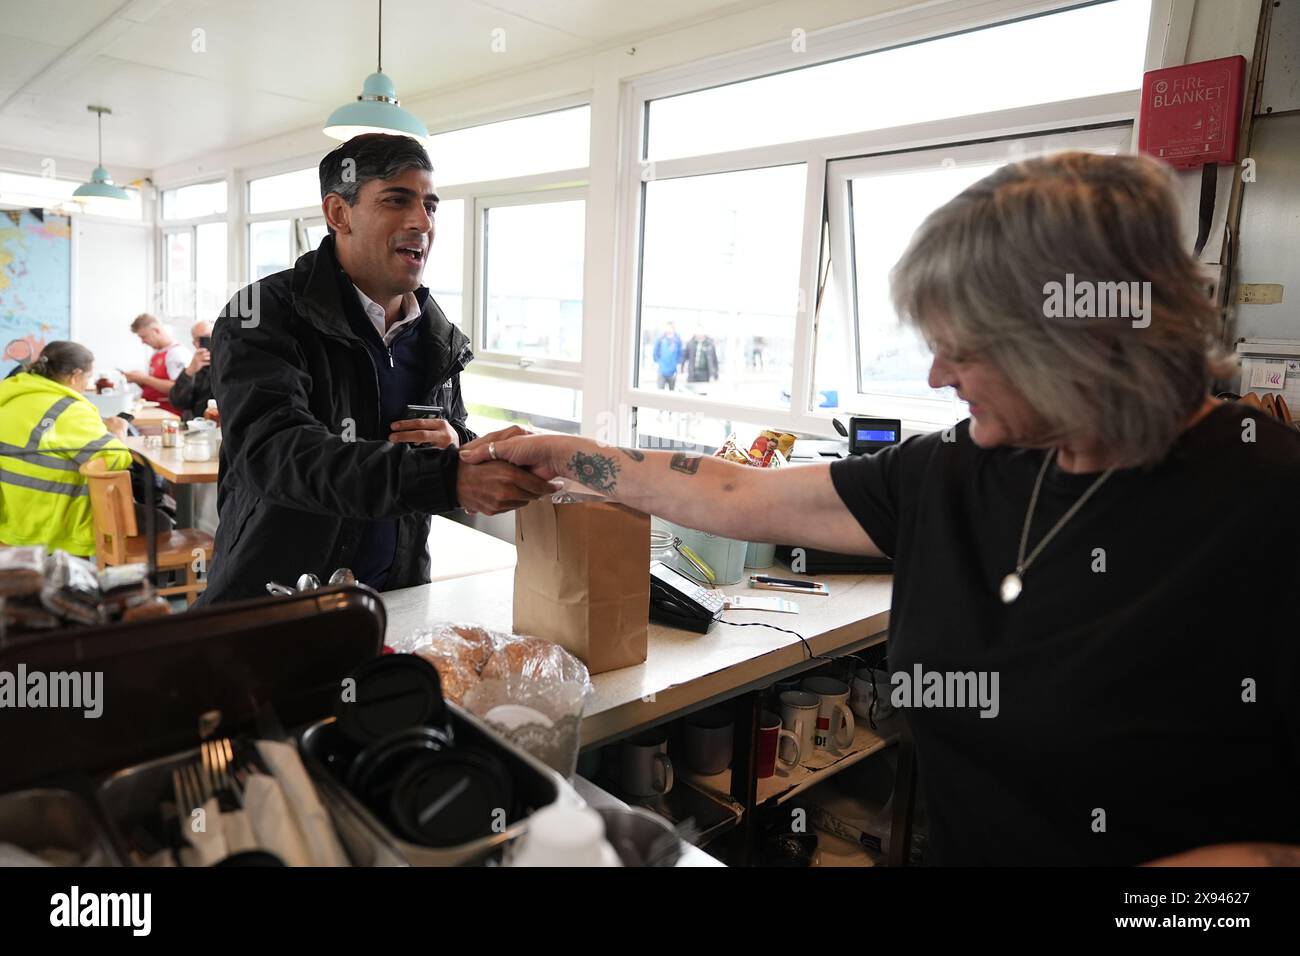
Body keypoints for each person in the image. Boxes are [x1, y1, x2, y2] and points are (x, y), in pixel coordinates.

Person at [460, 152, 1300, 866]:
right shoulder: (954, 470)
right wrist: (572, 455)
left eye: (959, 348)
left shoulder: (1268, 506)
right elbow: (730, 490)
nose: (937, 378)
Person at [199, 133, 552, 603]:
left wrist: (460, 446)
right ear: (338, 213)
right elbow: (276, 453)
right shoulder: (263, 314)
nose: (421, 221)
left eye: (430, 205)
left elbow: (448, 437)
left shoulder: (435, 335)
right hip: (274, 604)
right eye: (396, 200)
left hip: (395, 601)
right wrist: (446, 478)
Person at [0, 341, 132, 557]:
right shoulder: (67, 409)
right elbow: (113, 460)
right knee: (153, 518)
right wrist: (118, 432)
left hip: (8, 521)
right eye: (88, 378)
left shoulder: (9, 395)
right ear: (75, 375)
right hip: (52, 528)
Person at [124, 313, 192, 416]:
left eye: (144, 337)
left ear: (156, 330)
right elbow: (155, 386)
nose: (143, 342)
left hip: (169, 415)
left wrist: (144, 379)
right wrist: (138, 379)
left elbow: (179, 388)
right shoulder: (157, 353)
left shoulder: (177, 353)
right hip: (154, 411)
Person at [169, 320, 214, 421]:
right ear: (194, 343)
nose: (206, 342)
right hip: (198, 426)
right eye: (200, 339)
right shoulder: (195, 368)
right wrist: (189, 372)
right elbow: (178, 403)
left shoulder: (231, 364)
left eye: (208, 337)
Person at [652, 323, 682, 390]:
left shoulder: (677, 340)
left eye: (670, 328)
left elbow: (680, 354)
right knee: (660, 392)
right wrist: (656, 362)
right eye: (667, 328)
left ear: (673, 329)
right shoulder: (660, 339)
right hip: (662, 371)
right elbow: (655, 352)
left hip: (672, 371)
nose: (669, 329)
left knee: (672, 393)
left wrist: (679, 365)